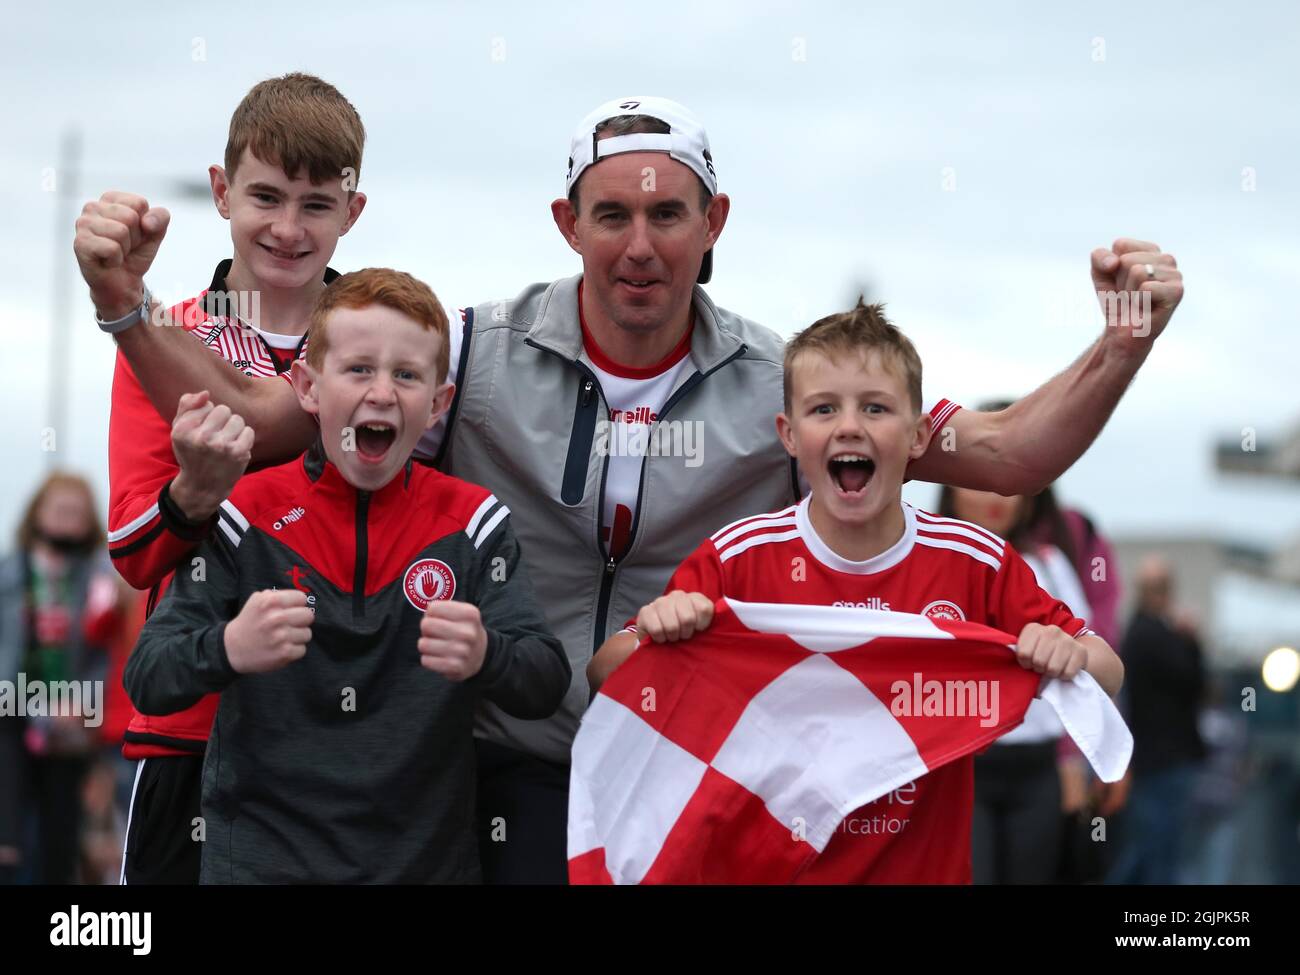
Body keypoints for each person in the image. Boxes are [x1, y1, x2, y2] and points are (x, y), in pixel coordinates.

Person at [79, 96, 1181, 883]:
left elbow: (1005, 456)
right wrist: (127, 306)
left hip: (688, 776)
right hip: (490, 767)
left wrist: (1123, 344)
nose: (641, 244)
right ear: (567, 226)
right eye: (611, 215)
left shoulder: (782, 386)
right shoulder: (470, 353)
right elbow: (262, 416)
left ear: (715, 225)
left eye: (669, 216)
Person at [588, 300, 1123, 882]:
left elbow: (1107, 668)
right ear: (789, 436)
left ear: (920, 435)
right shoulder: (739, 555)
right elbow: (605, 673)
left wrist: (1067, 652)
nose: (850, 425)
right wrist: (662, 629)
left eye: (875, 407)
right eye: (824, 408)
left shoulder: (975, 560)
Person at [123, 268, 569, 883]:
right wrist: (227, 647)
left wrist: (489, 654)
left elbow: (546, 681)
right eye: (359, 369)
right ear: (307, 387)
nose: (382, 392)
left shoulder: (472, 523)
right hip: (260, 867)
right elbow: (147, 677)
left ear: (439, 403)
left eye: (407, 375)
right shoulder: (244, 515)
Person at [73, 72, 367, 883]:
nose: (286, 227)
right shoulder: (165, 337)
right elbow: (134, 550)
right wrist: (192, 497)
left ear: (354, 211)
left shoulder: (383, 336)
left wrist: (122, 305)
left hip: (351, 731)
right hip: (190, 731)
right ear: (220, 190)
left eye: (316, 204)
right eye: (265, 196)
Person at [938, 449, 1095, 884]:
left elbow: (1087, 667)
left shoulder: (1050, 564)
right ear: (949, 486)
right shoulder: (930, 562)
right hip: (958, 769)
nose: (998, 496)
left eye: (1011, 483)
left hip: (1037, 769)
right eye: (980, 480)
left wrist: (1073, 761)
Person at [0, 473, 115, 883]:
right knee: (9, 835)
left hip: (69, 724)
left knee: (59, 837)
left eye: (76, 512)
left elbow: (104, 650)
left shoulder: (98, 580)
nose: (67, 521)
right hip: (11, 713)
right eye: (59, 510)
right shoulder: (11, 571)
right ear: (38, 513)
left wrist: (83, 707)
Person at [1107, 556, 1206, 885]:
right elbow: (1193, 683)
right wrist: (1190, 642)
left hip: (1154, 761)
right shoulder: (1153, 635)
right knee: (1157, 855)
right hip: (1161, 763)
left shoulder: (1141, 633)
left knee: (1151, 852)